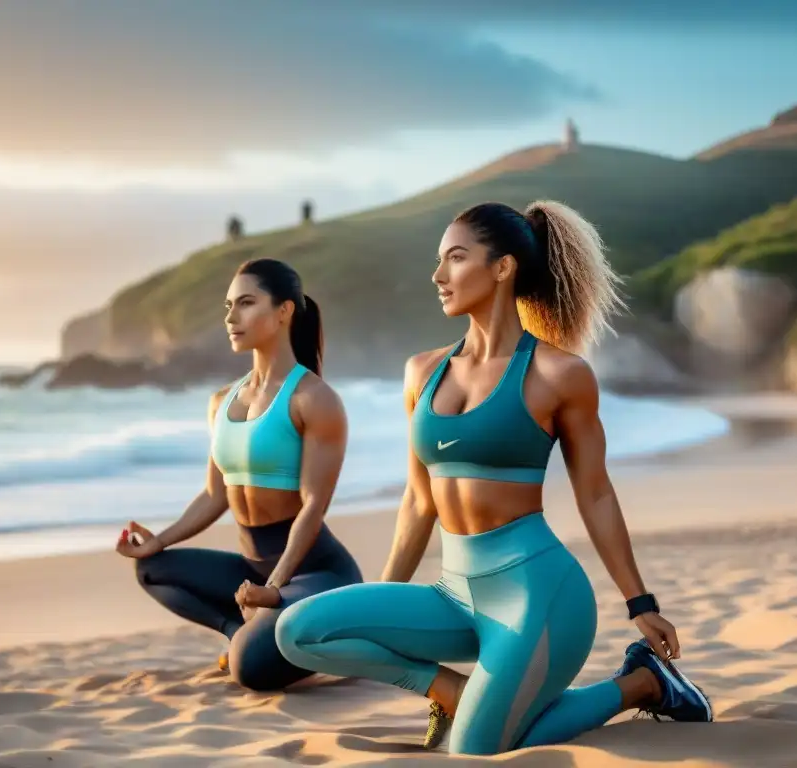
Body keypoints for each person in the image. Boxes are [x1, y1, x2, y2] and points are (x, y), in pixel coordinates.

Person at [275, 201, 713, 755]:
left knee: (476, 749)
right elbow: (417, 500)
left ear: (502, 268)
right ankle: (452, 692)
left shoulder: (560, 375)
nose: (438, 276)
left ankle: (643, 684)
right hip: (451, 591)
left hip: (537, 597)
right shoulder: (422, 372)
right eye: (439, 261)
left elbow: (596, 494)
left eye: (456, 259)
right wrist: (383, 596)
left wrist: (640, 603)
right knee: (298, 632)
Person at [116, 258, 363, 692]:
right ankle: (239, 630)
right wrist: (160, 540)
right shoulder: (220, 401)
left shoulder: (313, 399)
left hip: (314, 573)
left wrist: (273, 587)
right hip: (252, 566)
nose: (231, 317)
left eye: (246, 304)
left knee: (251, 670)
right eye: (229, 306)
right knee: (153, 569)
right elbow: (214, 495)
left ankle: (311, 633)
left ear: (284, 311)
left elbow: (313, 506)